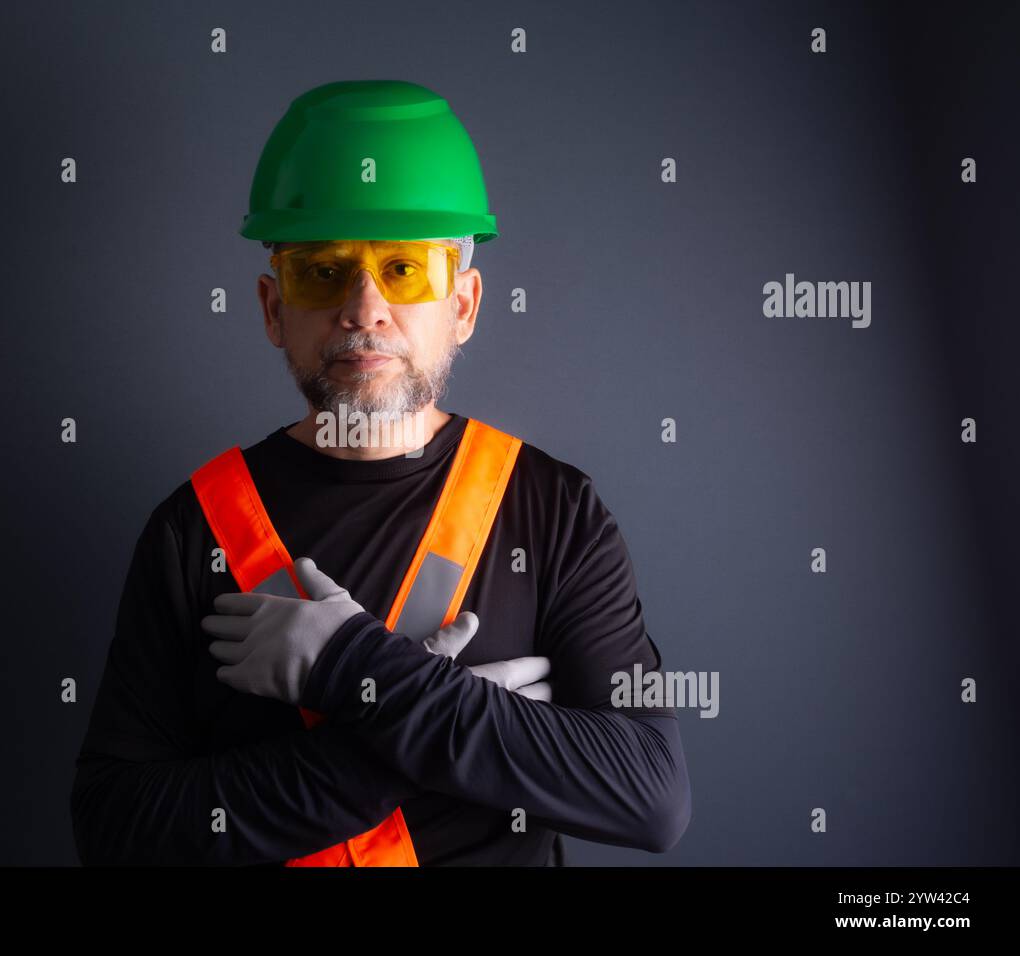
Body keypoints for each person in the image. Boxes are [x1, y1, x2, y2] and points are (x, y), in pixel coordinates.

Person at [70, 79, 691, 866]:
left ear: (463, 306)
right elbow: (115, 831)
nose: (363, 309)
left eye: (403, 269)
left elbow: (650, 796)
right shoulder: (194, 529)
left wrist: (350, 664)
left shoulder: (551, 509)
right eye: (322, 270)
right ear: (272, 309)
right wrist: (427, 731)